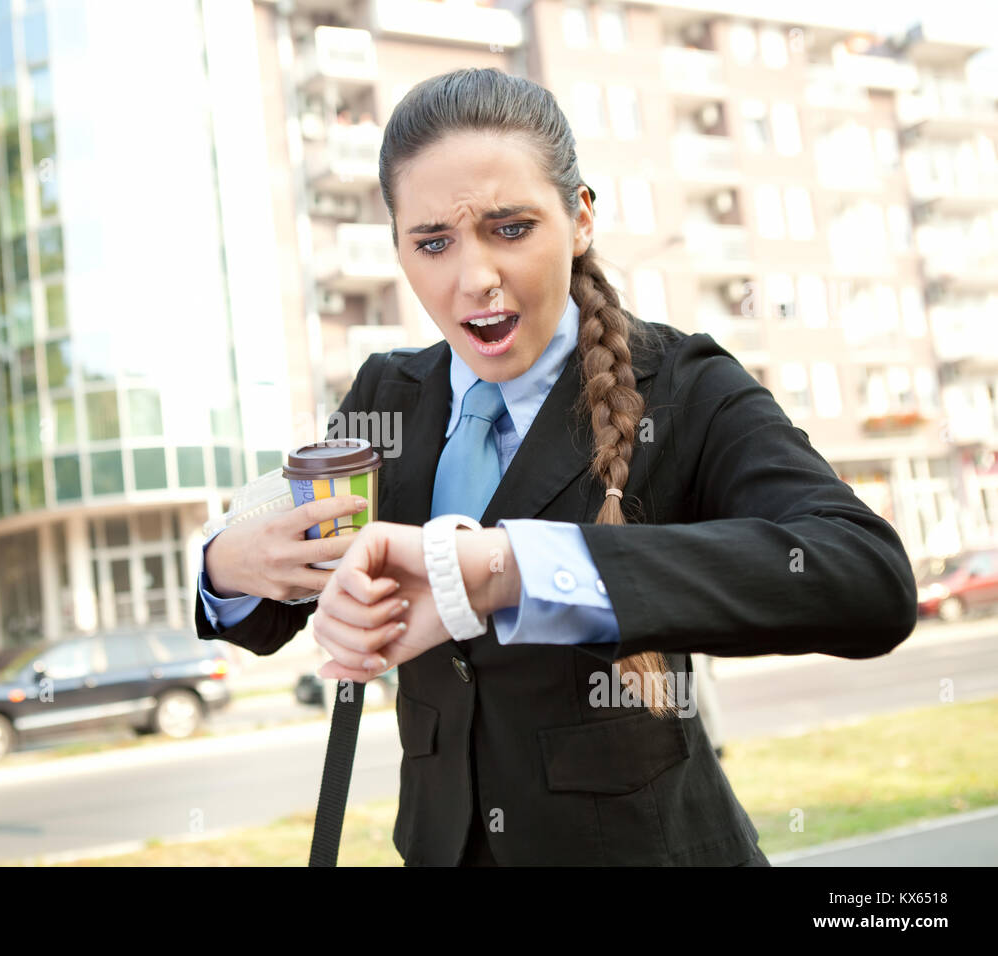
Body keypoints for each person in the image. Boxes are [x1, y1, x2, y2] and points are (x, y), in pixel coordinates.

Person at [195, 68, 917, 866]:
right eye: (432, 242)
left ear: (578, 219)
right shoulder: (385, 396)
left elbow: (866, 578)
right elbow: (275, 610)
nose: (473, 278)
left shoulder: (683, 386)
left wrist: (510, 570)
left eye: (509, 228)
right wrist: (230, 566)